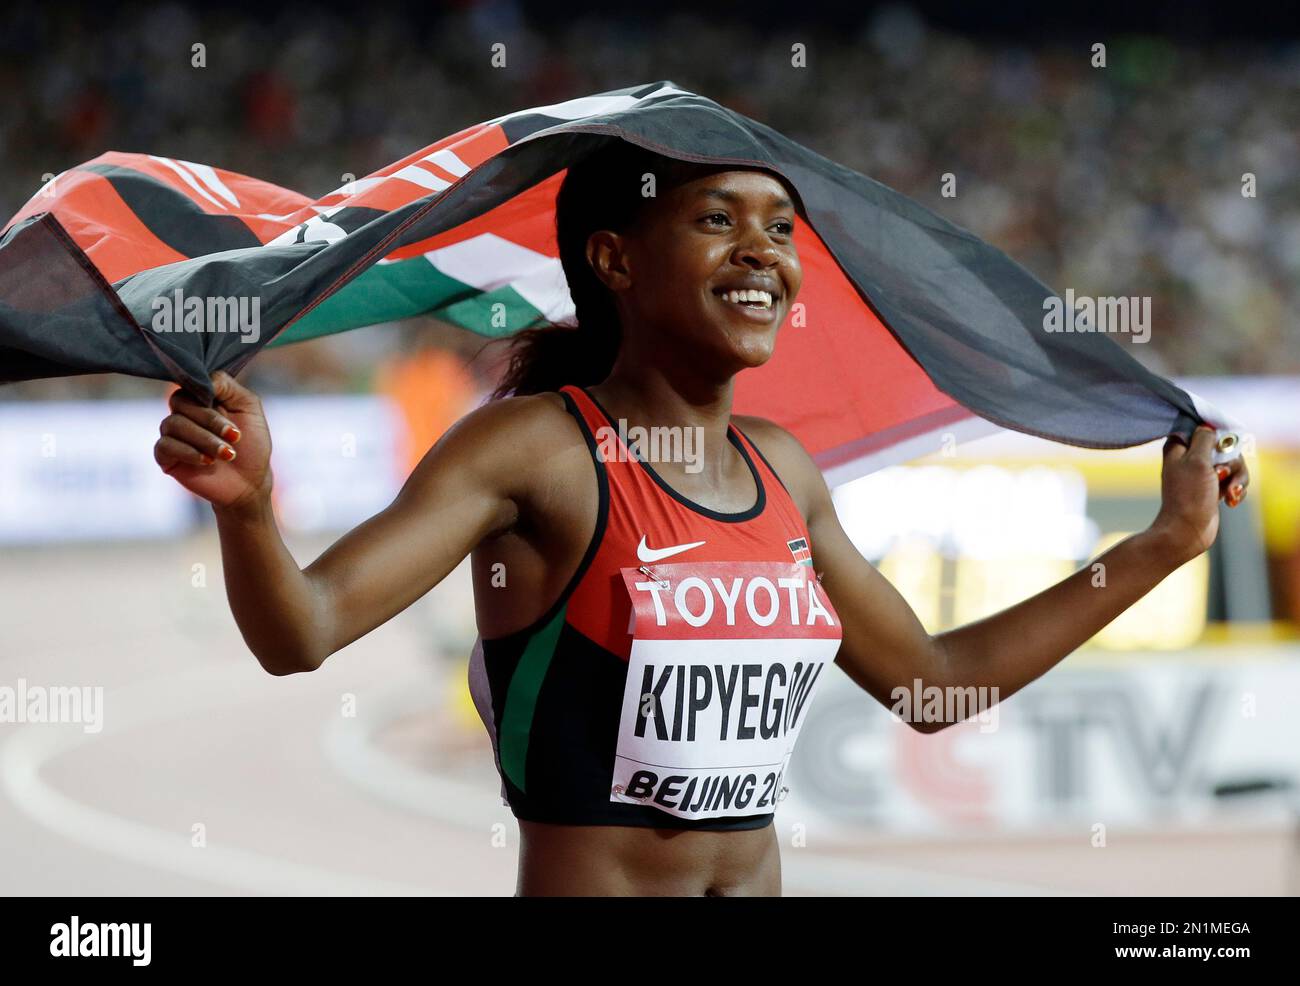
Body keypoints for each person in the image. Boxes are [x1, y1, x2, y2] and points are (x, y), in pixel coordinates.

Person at [153, 141, 1250, 896]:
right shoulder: (536, 449)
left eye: (779, 228)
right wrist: (251, 509)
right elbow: (302, 629)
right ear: (615, 258)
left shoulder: (782, 470)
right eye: (716, 220)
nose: (762, 251)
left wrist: (1159, 545)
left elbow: (930, 682)